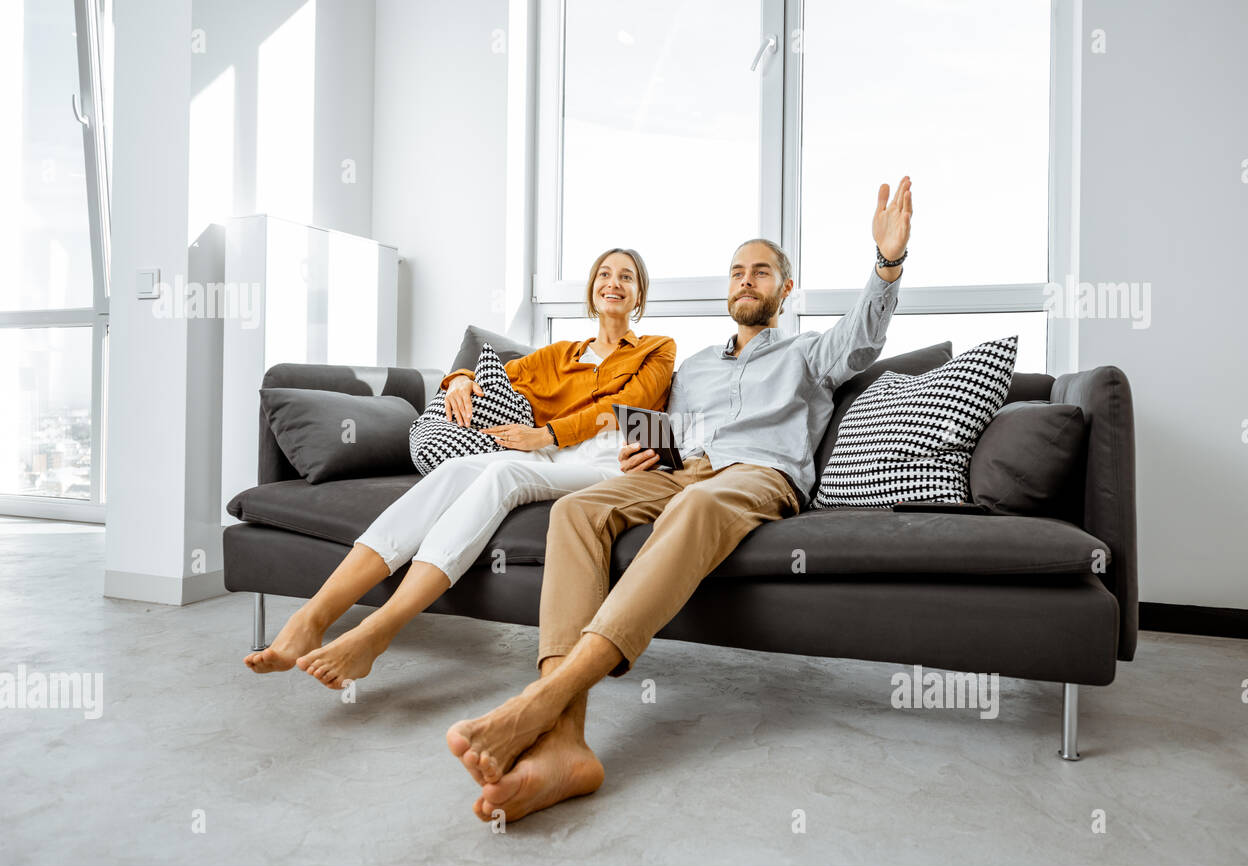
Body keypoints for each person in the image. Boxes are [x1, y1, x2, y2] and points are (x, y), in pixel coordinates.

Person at [446, 177, 913, 823]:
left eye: (761, 272)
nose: (746, 280)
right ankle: (565, 744)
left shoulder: (810, 353)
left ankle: (541, 700)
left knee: (696, 505)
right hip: (684, 472)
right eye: (736, 272)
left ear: (785, 289)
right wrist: (647, 451)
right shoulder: (692, 366)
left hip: (758, 476)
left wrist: (887, 262)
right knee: (578, 509)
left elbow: (863, 336)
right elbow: (665, 436)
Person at [244, 248, 676, 688]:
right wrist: (461, 379)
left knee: (503, 475)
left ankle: (378, 631)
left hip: (604, 460)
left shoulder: (658, 349)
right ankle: (311, 617)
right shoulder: (561, 354)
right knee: (454, 471)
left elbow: (625, 406)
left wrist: (545, 436)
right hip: (548, 453)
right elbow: (498, 371)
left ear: (639, 294)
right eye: (604, 274)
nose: (613, 283)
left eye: (626, 277)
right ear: (591, 290)